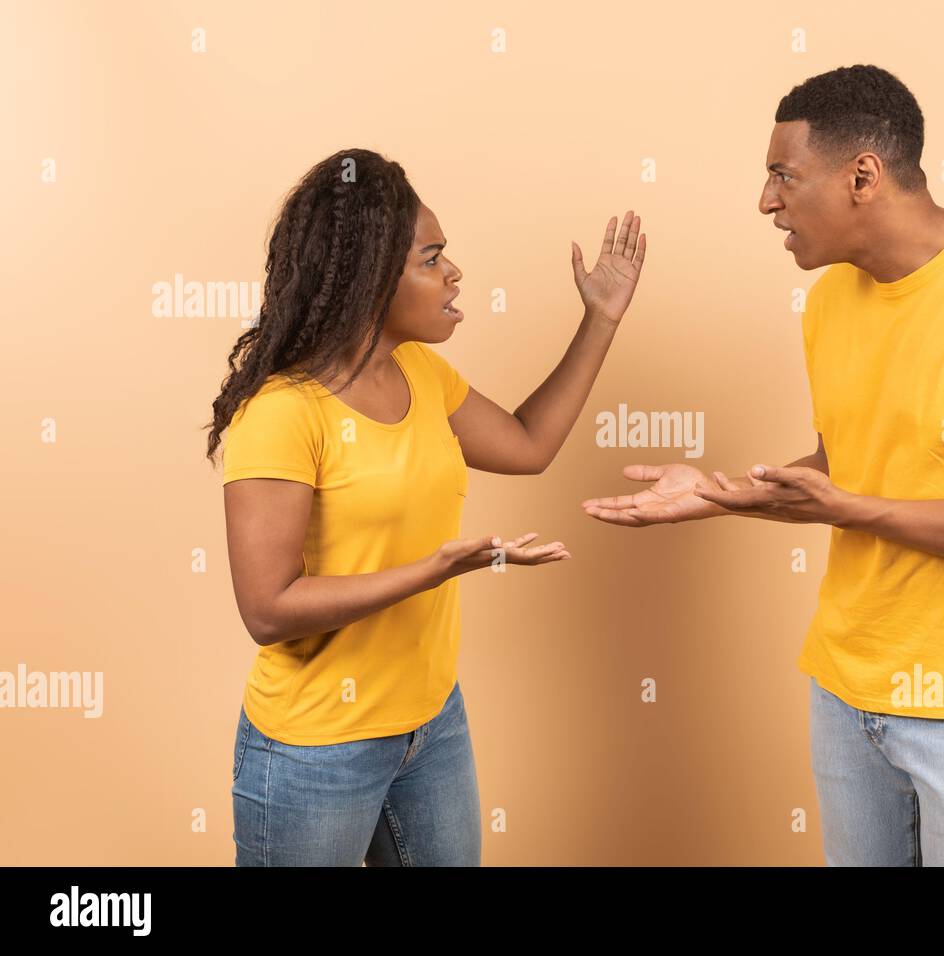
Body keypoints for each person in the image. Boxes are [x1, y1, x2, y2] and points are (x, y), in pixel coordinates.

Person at [581, 65, 944, 866]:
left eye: (783, 175)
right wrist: (721, 494)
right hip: (845, 690)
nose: (765, 201)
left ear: (863, 175)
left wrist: (848, 508)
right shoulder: (829, 299)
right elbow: (840, 469)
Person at [205, 147, 647, 866]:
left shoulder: (421, 372)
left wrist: (600, 318)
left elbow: (530, 444)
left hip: (431, 726)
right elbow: (267, 608)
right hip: (318, 748)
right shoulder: (282, 413)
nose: (453, 273)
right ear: (370, 280)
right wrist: (432, 570)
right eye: (431, 258)